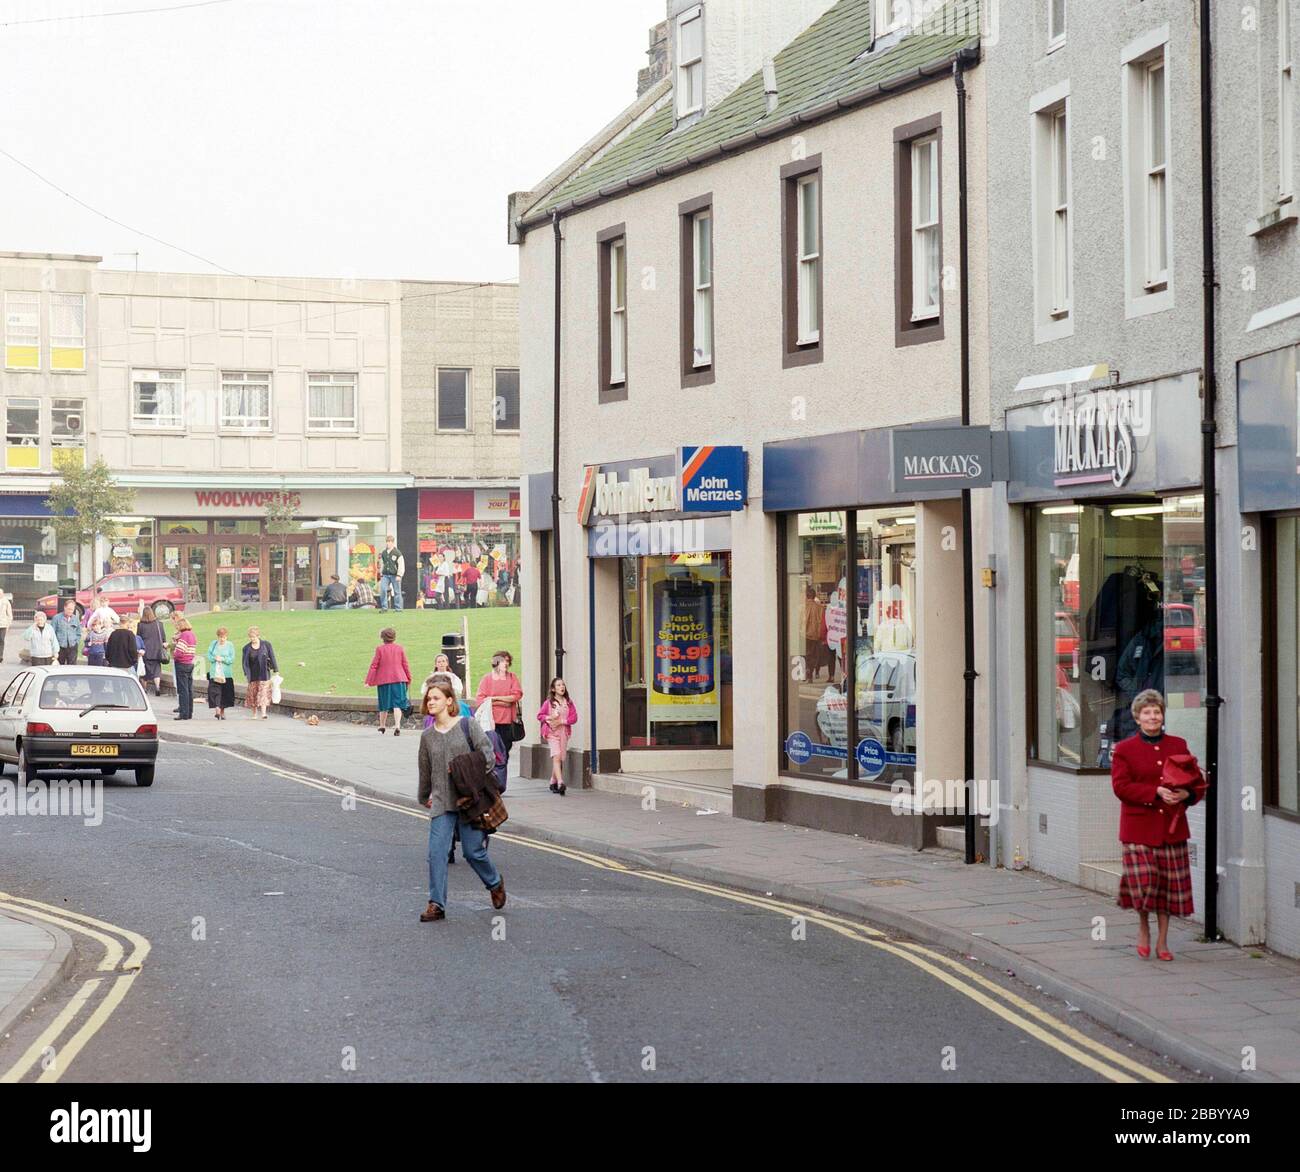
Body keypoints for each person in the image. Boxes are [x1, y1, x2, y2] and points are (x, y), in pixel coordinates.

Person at [1111, 689, 1207, 962]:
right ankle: (1143, 928)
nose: (1153, 717)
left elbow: (1196, 784)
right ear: (1137, 718)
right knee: (1144, 886)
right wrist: (1156, 792)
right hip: (1138, 830)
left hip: (1171, 830)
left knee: (1166, 889)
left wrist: (1187, 795)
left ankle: (1163, 942)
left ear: (1162, 716)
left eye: (1157, 712)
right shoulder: (1125, 750)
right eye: (1147, 713)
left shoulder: (1178, 745)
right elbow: (1121, 787)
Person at [417, 681, 506, 923]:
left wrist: (466, 774)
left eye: (435, 698)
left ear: (449, 701)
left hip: (470, 801)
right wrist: (424, 796)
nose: (431, 702)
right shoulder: (427, 736)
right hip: (442, 802)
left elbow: (488, 755)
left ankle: (495, 882)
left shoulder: (468, 725)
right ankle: (436, 903)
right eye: (428, 699)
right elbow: (424, 770)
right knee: (436, 853)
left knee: (473, 852)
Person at [475, 650, 523, 769]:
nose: (505, 664)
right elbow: (480, 700)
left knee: (505, 751)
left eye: (507, 661)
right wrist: (503, 701)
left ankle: (501, 776)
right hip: (491, 723)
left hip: (507, 723)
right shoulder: (487, 679)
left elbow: (516, 695)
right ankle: (493, 776)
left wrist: (494, 698)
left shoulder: (512, 678)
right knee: (492, 751)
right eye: (502, 661)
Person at [365, 627, 412, 735]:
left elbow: (374, 665)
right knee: (398, 704)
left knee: (384, 704)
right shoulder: (399, 648)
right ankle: (397, 726)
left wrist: (368, 681)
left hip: (384, 680)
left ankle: (382, 725)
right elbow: (405, 664)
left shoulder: (380, 649)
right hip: (399, 678)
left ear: (382, 637)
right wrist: (409, 677)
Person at [537, 677, 578, 796]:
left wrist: (562, 721)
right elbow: (540, 715)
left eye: (563, 685)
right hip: (551, 733)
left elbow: (574, 718)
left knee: (560, 758)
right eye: (559, 685)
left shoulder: (568, 702)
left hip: (564, 732)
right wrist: (548, 718)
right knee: (557, 755)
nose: (562, 687)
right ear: (553, 689)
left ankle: (553, 781)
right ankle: (560, 783)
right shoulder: (549, 703)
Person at [242, 626, 278, 720]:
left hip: (264, 673)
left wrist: (276, 670)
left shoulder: (266, 645)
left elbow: (272, 656)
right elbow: (244, 662)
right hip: (252, 674)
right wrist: (246, 673)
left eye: (254, 637)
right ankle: (254, 714)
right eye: (250, 637)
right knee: (253, 694)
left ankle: (263, 713)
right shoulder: (246, 648)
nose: (252, 639)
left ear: (258, 636)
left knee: (264, 693)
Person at [171, 617, 198, 720]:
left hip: (182, 664)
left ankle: (183, 713)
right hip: (190, 663)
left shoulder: (184, 635)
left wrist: (174, 654)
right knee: (189, 689)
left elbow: (179, 652)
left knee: (183, 690)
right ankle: (189, 712)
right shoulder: (191, 634)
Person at [207, 627, 236, 719]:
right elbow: (209, 655)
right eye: (220, 637)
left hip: (226, 673)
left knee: (224, 693)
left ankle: (222, 711)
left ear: (226, 637)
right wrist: (214, 658)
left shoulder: (230, 645)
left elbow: (231, 659)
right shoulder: (213, 644)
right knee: (215, 691)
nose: (222, 639)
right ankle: (217, 709)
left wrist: (223, 659)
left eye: (224, 637)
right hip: (215, 673)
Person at [137, 606, 166, 696]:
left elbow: (138, 637)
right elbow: (163, 637)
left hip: (145, 650)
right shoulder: (159, 624)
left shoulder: (140, 625)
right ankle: (157, 687)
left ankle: (144, 689)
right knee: (157, 669)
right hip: (157, 650)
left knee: (144, 671)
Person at [378, 535, 405, 612]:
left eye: (389, 542)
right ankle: (384, 607)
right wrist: (381, 573)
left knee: (397, 591)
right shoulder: (383, 553)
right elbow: (382, 563)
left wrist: (399, 575)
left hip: (395, 575)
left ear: (393, 543)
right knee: (383, 589)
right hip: (385, 575)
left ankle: (398, 608)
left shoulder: (397, 553)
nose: (388, 543)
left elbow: (401, 565)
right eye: (387, 542)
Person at [53, 599, 82, 665]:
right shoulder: (56, 618)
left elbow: (78, 633)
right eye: (68, 609)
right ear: (64, 607)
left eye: (72, 609)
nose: (70, 611)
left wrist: (76, 642)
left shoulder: (76, 619)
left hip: (72, 646)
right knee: (60, 666)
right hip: (60, 646)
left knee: (72, 667)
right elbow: (52, 634)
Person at [0, 588, 11, 660]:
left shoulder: (6, 602)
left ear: (3, 594)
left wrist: (8, 625)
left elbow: (9, 614)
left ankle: (0, 656)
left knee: (1, 640)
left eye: (0, 593)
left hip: (3, 624)